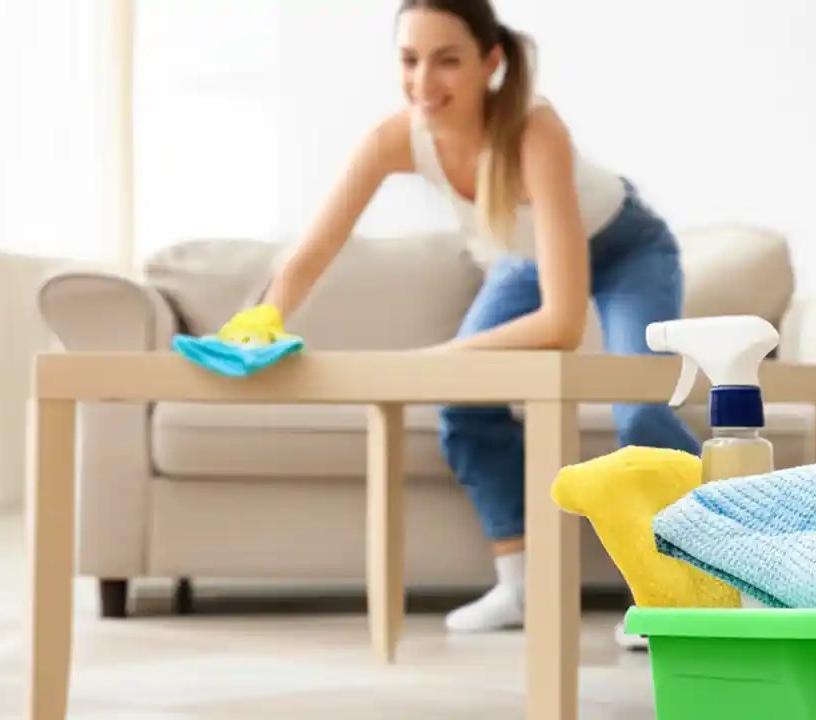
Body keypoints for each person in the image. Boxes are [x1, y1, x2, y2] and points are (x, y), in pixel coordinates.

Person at [216, 0, 701, 639]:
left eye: (447, 61)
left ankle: (693, 587)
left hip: (623, 247)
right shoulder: (396, 137)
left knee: (639, 409)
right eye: (410, 60)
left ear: (490, 62)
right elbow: (314, 249)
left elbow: (560, 322)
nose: (424, 82)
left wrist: (435, 358)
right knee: (463, 401)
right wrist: (263, 316)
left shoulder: (533, 129)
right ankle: (523, 588)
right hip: (526, 259)